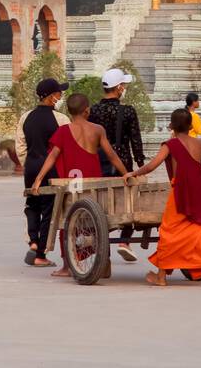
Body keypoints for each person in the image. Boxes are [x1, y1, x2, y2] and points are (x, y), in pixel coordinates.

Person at [31, 92, 130, 277]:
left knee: (67, 222)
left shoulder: (62, 131)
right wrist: (127, 175)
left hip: (72, 186)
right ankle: (105, 262)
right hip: (93, 186)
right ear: (87, 111)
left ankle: (68, 266)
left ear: (69, 112)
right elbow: (112, 155)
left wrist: (38, 179)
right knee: (100, 223)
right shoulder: (97, 129)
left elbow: (52, 156)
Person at [127, 108, 201, 287]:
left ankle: (162, 276)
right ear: (190, 126)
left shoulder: (170, 145)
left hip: (181, 191)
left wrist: (133, 172)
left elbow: (151, 167)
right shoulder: (200, 143)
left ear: (171, 126)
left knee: (169, 231)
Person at [89, 68, 145, 262]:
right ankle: (124, 241)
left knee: (100, 200)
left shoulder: (93, 110)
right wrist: (140, 163)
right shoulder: (127, 111)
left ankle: (101, 245)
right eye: (124, 85)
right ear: (119, 87)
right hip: (122, 160)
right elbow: (135, 140)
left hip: (99, 159)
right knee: (128, 199)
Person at [16, 77, 69, 267]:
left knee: (32, 204)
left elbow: (20, 146)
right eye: (59, 93)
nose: (61, 96)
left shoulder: (25, 117)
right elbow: (65, 148)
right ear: (51, 97)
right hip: (51, 169)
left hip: (31, 166)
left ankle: (33, 241)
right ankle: (40, 255)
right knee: (48, 209)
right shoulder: (61, 120)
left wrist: (28, 163)